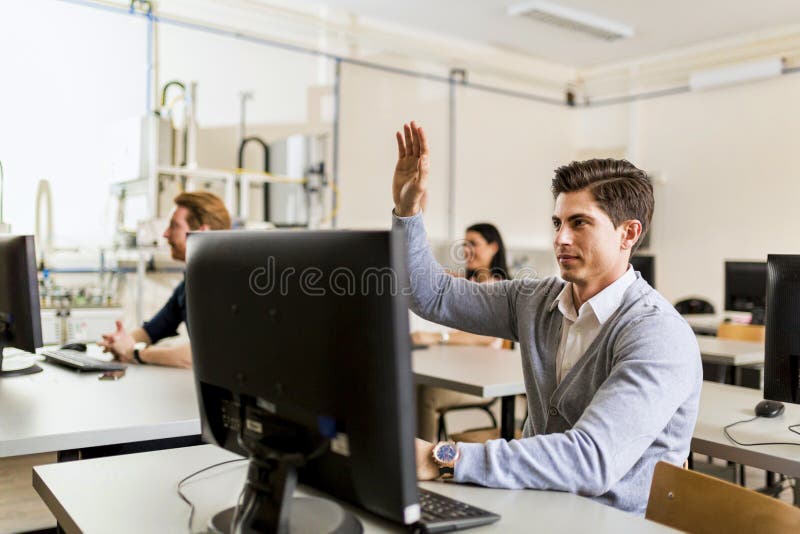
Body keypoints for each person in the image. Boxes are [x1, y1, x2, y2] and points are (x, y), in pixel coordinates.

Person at [392, 121, 701, 515]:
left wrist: (444, 458)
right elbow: (431, 295)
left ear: (628, 233)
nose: (561, 239)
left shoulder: (658, 334)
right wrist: (407, 210)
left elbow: (590, 460)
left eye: (579, 223)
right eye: (558, 223)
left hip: (610, 522)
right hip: (532, 505)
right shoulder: (535, 300)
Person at [99, 191, 231, 368]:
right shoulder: (189, 286)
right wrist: (123, 341)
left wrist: (137, 353)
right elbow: (153, 329)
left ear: (201, 232)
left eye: (174, 226)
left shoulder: (226, 286)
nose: (165, 234)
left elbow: (203, 354)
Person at [412, 223, 512, 441]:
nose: (467, 250)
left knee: (426, 395)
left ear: (493, 247)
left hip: (483, 380)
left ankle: (424, 460)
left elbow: (486, 337)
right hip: (459, 369)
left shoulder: (502, 290)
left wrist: (435, 337)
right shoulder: (469, 284)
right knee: (412, 386)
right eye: (464, 244)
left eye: (473, 244)